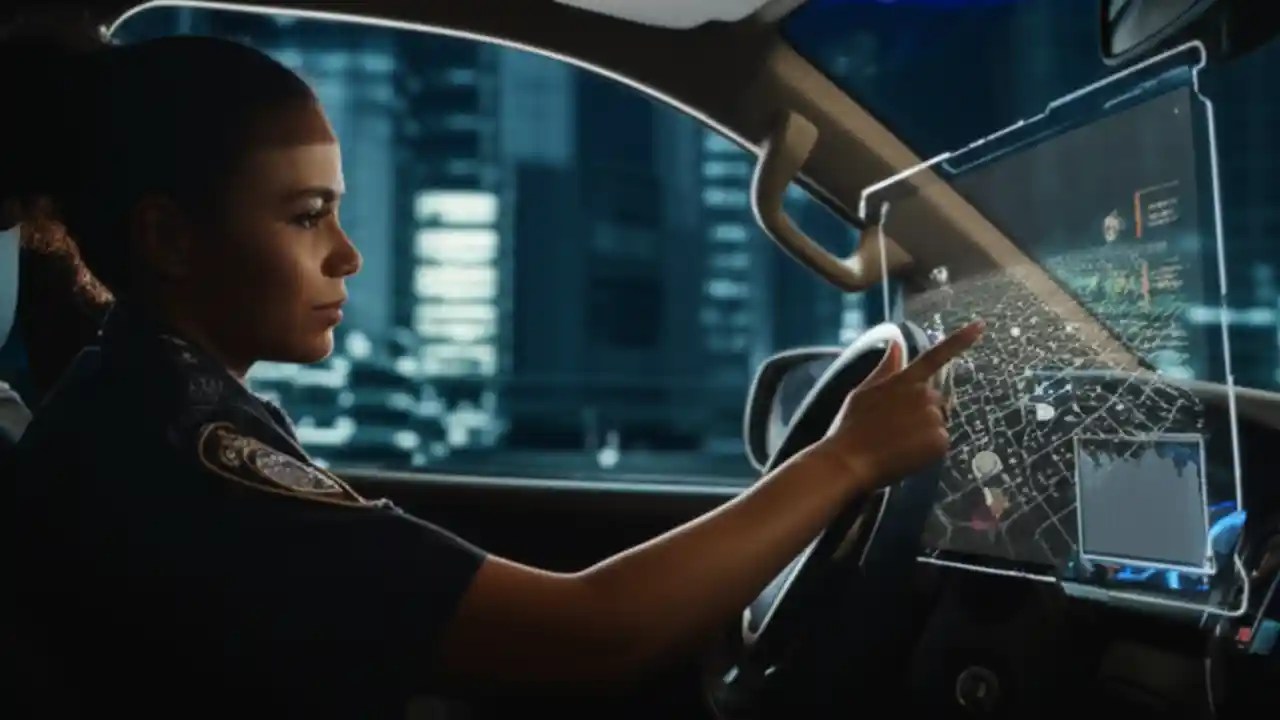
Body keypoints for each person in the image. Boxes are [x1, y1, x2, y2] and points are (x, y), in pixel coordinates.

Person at [5, 30, 984, 719]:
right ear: (170, 237)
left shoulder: (140, 410)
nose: (346, 256)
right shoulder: (183, 459)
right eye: (306, 217)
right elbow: (591, 638)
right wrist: (847, 460)